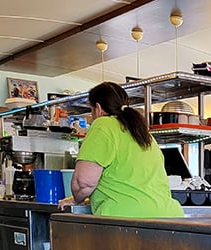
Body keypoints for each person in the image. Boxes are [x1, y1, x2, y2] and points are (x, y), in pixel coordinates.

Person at [59, 81, 184, 218]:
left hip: (125, 218)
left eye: (92, 110)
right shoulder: (143, 134)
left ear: (98, 108)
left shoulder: (103, 124)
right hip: (168, 216)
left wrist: (77, 199)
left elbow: (82, 183)